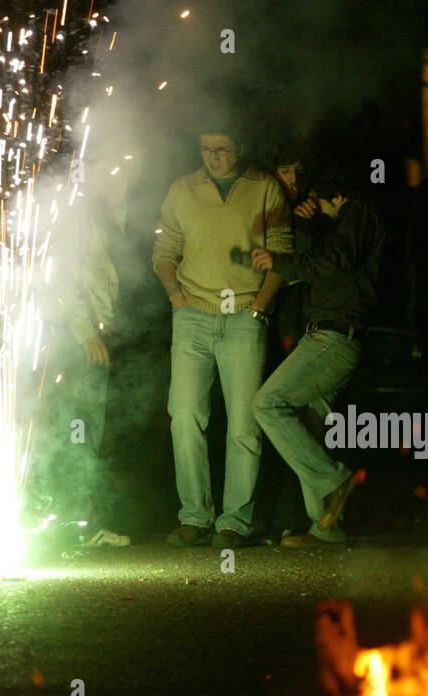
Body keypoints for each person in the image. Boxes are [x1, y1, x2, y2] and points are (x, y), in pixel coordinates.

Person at [152, 118, 293, 548]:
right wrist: (175, 294)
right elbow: (164, 249)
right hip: (192, 312)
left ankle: (234, 521)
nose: (214, 159)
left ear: (240, 145)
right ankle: (194, 514)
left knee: (243, 425)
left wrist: (260, 308)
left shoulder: (265, 186)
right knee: (185, 416)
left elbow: (283, 252)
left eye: (223, 150)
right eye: (206, 150)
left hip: (244, 315)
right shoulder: (182, 189)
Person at [250, 165, 385, 548]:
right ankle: (326, 529)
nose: (313, 206)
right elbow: (323, 262)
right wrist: (309, 226)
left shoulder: (359, 215)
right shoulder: (344, 222)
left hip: (334, 337)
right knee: (310, 426)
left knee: (268, 404)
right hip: (333, 336)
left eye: (317, 201)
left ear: (334, 195)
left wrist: (277, 262)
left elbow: (330, 266)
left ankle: (334, 481)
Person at [28, 140, 136, 548]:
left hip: (87, 332)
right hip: (74, 337)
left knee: (81, 428)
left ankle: (71, 522)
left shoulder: (95, 209)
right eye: (108, 168)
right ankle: (75, 524)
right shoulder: (74, 212)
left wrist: (119, 202)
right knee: (78, 429)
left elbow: (108, 263)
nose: (116, 176)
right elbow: (60, 277)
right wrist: (85, 330)